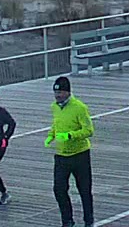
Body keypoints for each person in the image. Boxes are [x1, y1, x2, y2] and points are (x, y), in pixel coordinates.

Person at [47, 76, 95, 227]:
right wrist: (51, 135)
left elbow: (89, 130)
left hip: (80, 154)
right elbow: (56, 123)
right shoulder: (54, 107)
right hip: (61, 155)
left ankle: (89, 220)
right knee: (59, 189)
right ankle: (67, 220)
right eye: (55, 93)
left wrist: (70, 136)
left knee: (84, 190)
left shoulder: (79, 107)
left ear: (68, 92)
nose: (57, 96)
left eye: (60, 92)